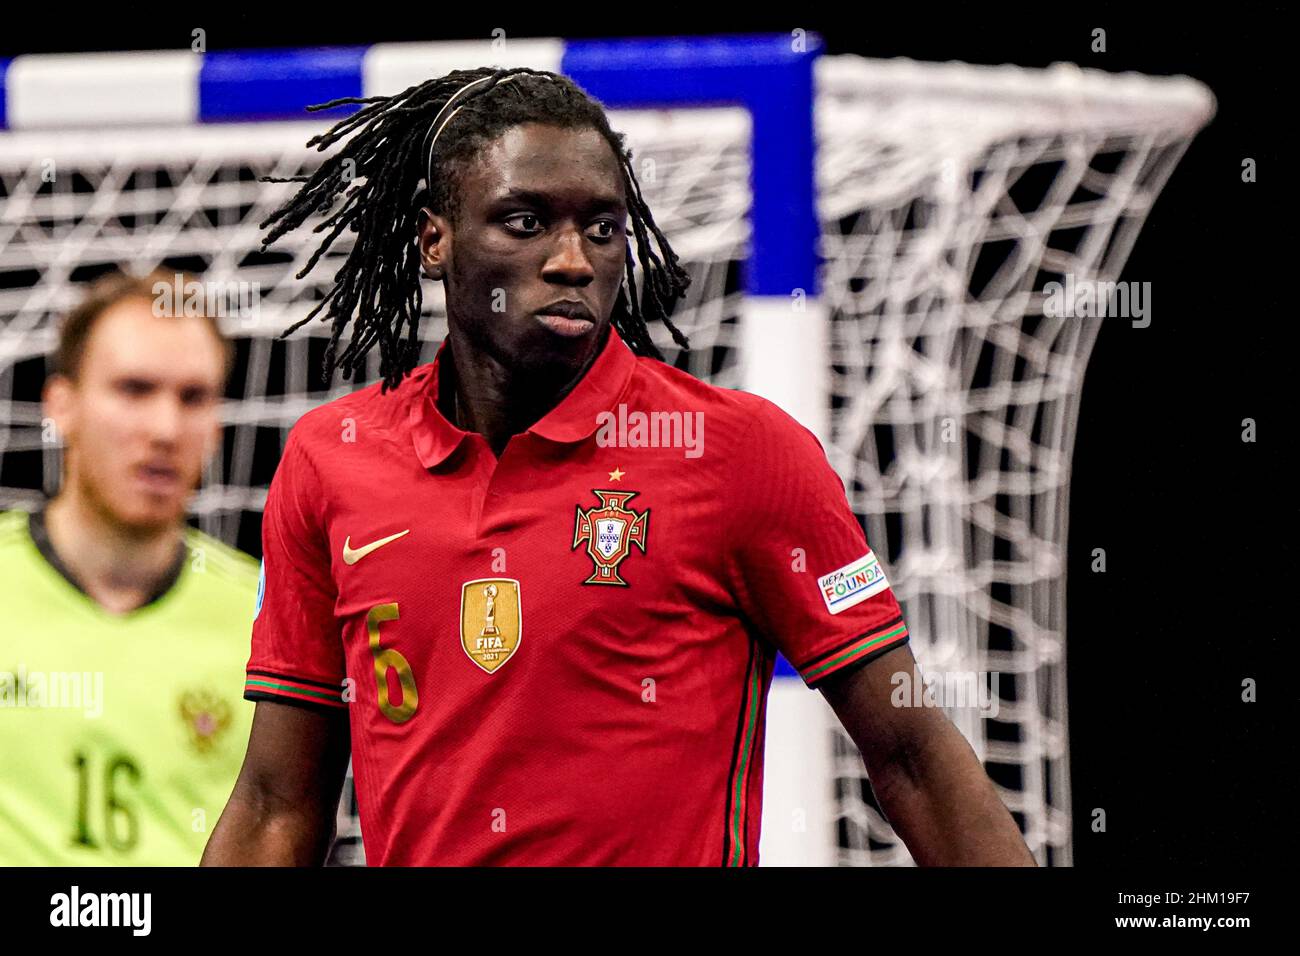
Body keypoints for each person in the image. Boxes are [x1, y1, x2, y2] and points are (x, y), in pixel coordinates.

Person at [204, 68, 1035, 866]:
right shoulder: (331, 461)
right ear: (434, 238)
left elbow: (913, 755)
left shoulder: (740, 453)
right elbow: (280, 800)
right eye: (526, 222)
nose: (574, 260)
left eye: (602, 227)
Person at [0, 269, 259, 865]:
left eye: (193, 397)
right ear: (61, 406)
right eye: (134, 390)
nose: (165, 429)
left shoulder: (265, 617)